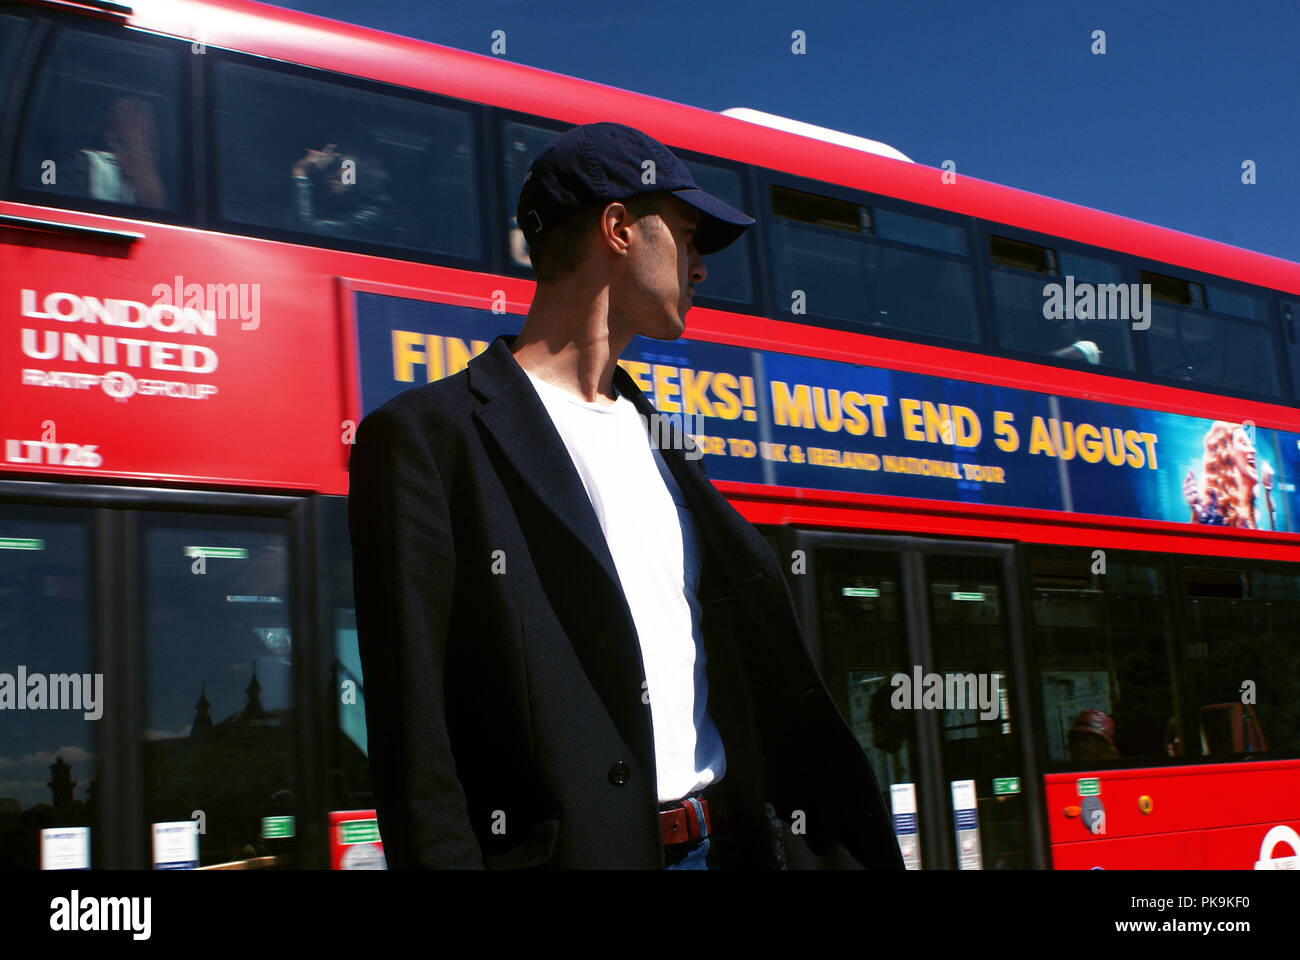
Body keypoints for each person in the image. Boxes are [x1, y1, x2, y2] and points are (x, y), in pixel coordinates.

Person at [347, 122, 903, 870]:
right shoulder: (426, 440)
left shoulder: (669, 444)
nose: (701, 268)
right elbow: (417, 751)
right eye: (688, 236)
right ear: (617, 228)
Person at [71, 96, 166, 208]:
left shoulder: (169, 177)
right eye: (132, 117)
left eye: (149, 119)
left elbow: (154, 209)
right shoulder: (89, 166)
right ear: (112, 138)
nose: (143, 125)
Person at [1182, 421, 1275, 529]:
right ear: (1226, 455)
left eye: (1251, 445)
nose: (1253, 450)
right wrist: (1195, 517)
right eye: (1244, 444)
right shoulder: (1214, 511)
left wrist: (1268, 493)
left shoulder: (1250, 512)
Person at [290, 143, 391, 240]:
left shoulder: (369, 217)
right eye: (335, 167)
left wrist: (300, 172)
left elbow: (305, 228)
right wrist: (312, 170)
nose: (336, 176)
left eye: (348, 171)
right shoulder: (335, 205)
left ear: (358, 178)